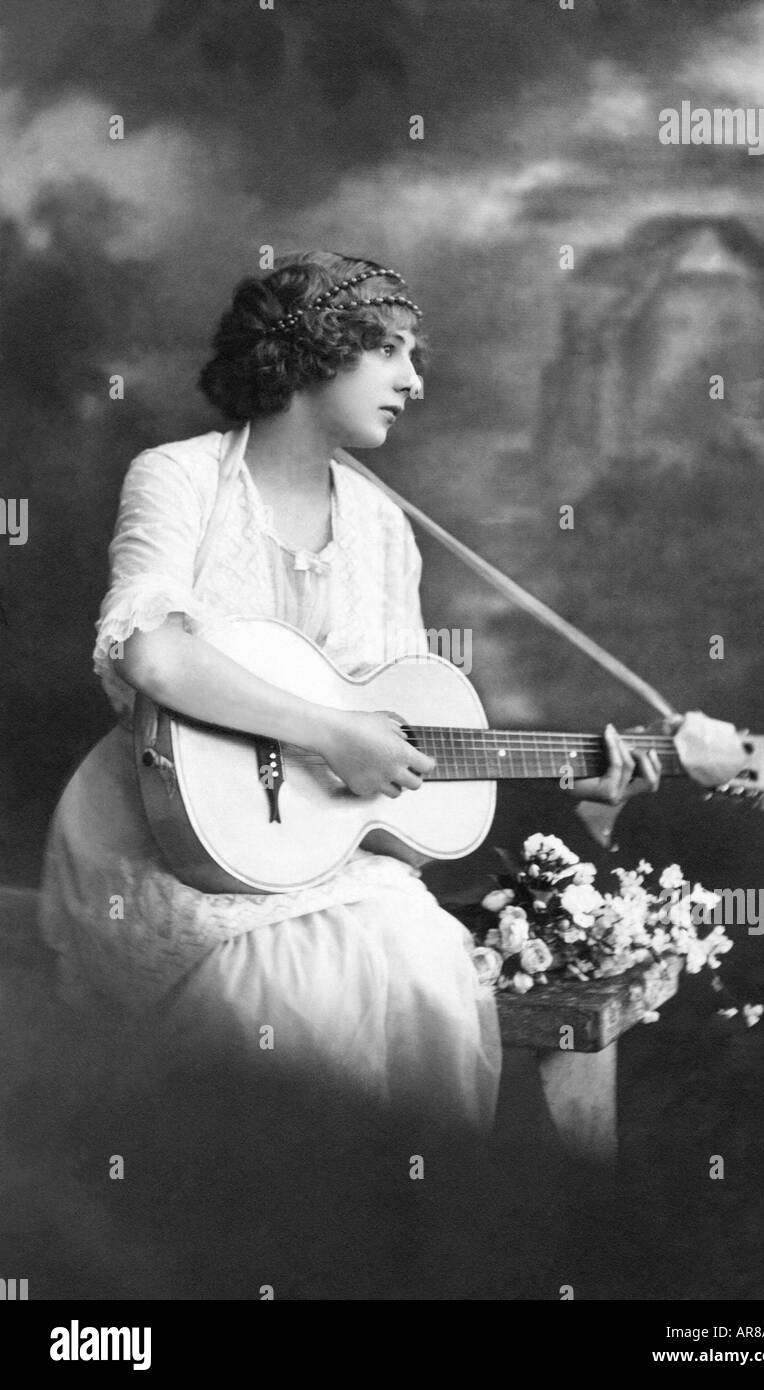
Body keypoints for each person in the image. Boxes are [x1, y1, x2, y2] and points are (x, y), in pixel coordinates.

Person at [37, 251, 661, 1132]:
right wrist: (329, 731)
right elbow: (154, 659)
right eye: (392, 352)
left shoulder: (381, 526)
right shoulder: (178, 476)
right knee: (294, 992)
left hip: (320, 858)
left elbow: (398, 745)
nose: (412, 381)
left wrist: (581, 793)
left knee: (414, 962)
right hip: (158, 837)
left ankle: (379, 1245)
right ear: (316, 352)